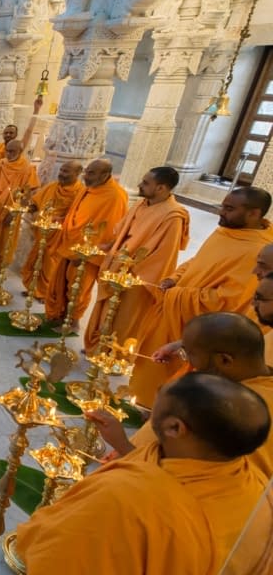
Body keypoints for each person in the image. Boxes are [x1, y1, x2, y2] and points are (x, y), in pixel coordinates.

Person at [16, 372, 270, 575]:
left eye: (160, 399)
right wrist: (124, 446)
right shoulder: (255, 484)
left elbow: (51, 552)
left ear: (174, 427)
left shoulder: (124, 497)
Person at [131, 187, 273, 405]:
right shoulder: (224, 231)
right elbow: (196, 261)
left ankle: (159, 412)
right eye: (222, 206)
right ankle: (145, 405)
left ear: (254, 214)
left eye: (229, 208)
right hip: (174, 311)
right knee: (151, 367)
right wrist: (175, 278)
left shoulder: (258, 251)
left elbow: (229, 301)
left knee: (175, 386)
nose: (221, 212)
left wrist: (177, 295)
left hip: (197, 321)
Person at [91, 312, 273, 478]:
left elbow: (182, 483)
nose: (189, 363)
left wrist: (123, 445)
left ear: (224, 360)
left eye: (189, 355)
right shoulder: (243, 384)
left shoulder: (245, 411)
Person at [83, 166, 189, 352]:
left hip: (138, 277)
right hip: (117, 266)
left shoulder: (173, 216)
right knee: (106, 309)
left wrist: (130, 272)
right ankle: (98, 347)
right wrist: (109, 247)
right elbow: (124, 233)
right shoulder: (142, 204)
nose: (140, 185)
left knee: (125, 318)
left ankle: (114, 357)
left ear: (161, 188)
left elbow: (164, 255)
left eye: (146, 183)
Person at [42, 159, 127, 328]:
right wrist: (62, 220)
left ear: (105, 175)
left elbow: (109, 232)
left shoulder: (115, 196)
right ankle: (59, 315)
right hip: (70, 243)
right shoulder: (88, 189)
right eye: (87, 172)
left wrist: (85, 254)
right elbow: (78, 212)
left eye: (92, 173)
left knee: (78, 288)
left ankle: (73, 321)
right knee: (61, 283)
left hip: (88, 253)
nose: (86, 176)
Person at [19, 161, 83, 300]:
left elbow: (79, 217)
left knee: (51, 266)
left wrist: (59, 220)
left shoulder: (80, 193)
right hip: (42, 233)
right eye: (61, 170)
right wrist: (26, 207)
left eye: (66, 171)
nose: (62, 174)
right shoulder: (52, 186)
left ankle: (45, 293)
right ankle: (33, 288)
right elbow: (36, 203)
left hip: (60, 237)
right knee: (35, 261)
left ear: (77, 174)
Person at [0, 140, 40, 274]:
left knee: (5, 242)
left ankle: (1, 270)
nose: (9, 154)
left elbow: (28, 194)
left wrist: (14, 213)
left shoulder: (27, 169)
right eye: (7, 151)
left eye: (12, 151)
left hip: (10, 211)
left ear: (20, 152)